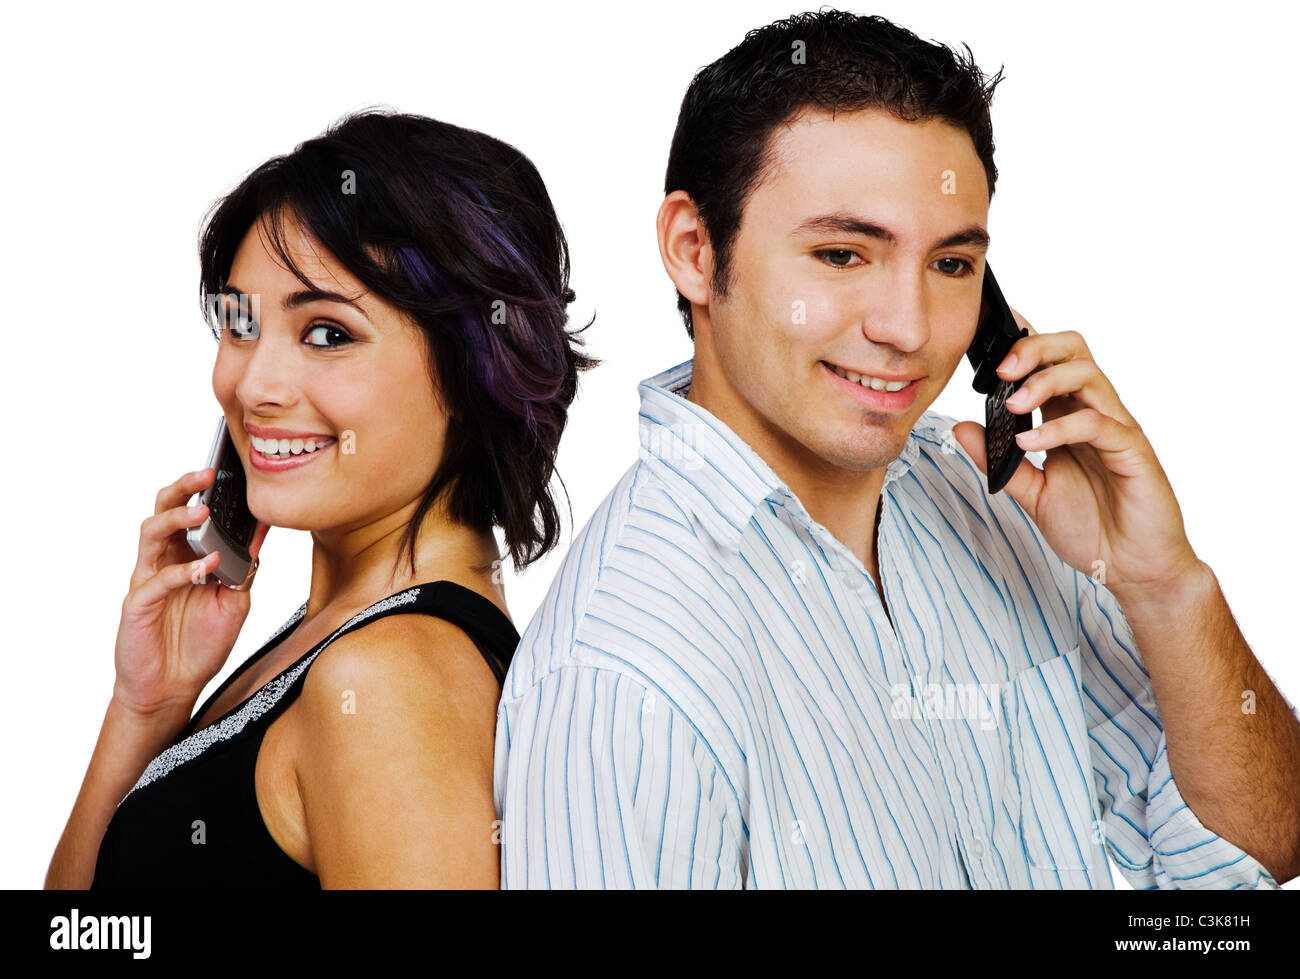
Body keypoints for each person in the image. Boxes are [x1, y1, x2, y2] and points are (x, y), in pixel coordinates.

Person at [493, 11, 1300, 888]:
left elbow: (1256, 851)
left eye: (951, 265)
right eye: (842, 254)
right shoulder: (623, 675)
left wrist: (1165, 584)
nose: (910, 329)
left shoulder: (991, 504)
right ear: (694, 251)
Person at [46, 109, 596, 889]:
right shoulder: (335, 637)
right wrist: (149, 707)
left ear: (475, 370)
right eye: (241, 324)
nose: (254, 385)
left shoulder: (384, 683)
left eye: (328, 333)